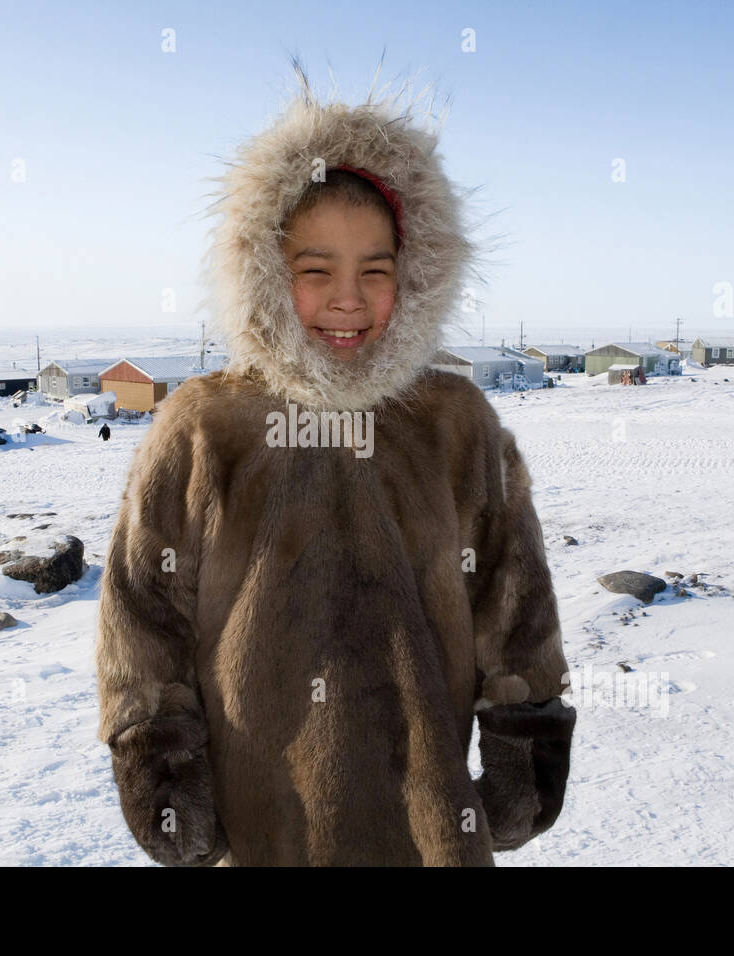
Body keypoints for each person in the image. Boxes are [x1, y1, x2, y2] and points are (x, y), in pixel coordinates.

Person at [95, 64, 575, 867]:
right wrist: (159, 758)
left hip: (429, 822)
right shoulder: (205, 427)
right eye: (315, 271)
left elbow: (512, 596)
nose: (346, 298)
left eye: (375, 271)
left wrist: (524, 736)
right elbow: (145, 608)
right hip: (259, 822)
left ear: (415, 276)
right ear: (267, 275)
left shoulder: (456, 425)